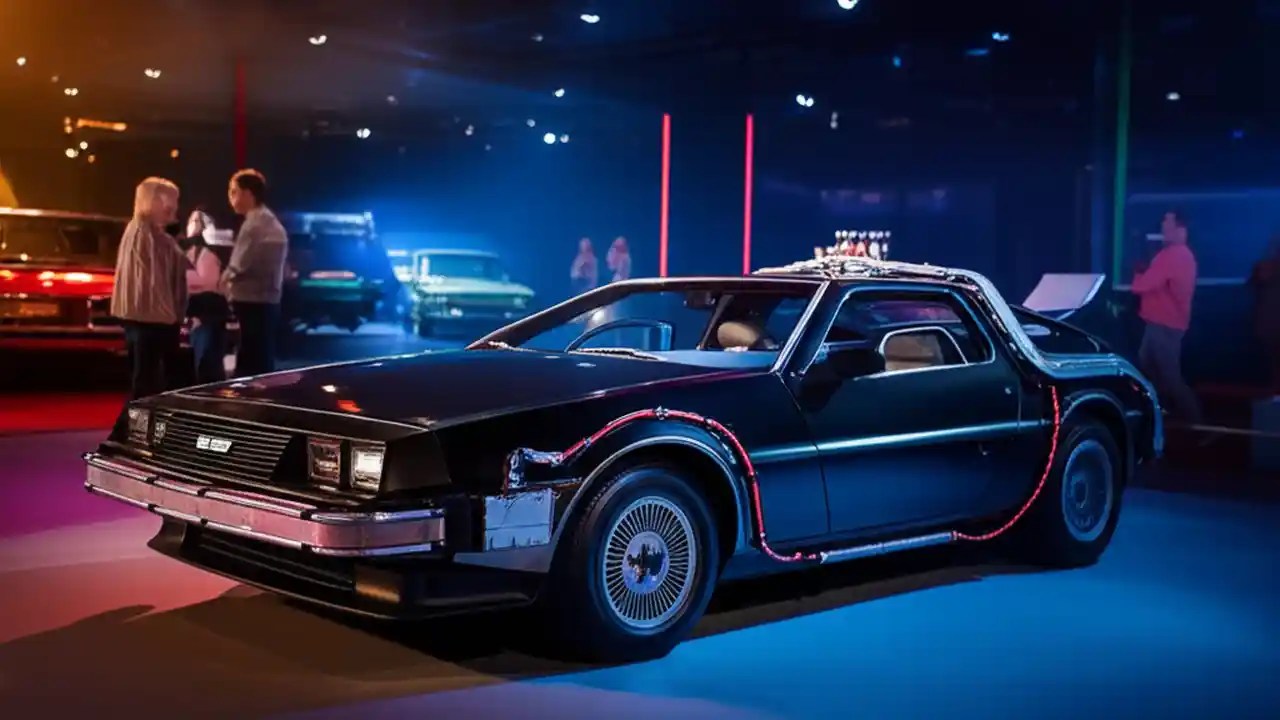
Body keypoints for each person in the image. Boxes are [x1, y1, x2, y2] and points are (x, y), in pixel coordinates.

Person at [110, 177, 189, 437]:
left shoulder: (147, 233)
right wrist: (172, 318)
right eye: (170, 202)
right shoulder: (145, 234)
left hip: (147, 320)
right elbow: (155, 284)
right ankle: (134, 435)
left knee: (147, 382)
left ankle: (137, 434)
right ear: (154, 200)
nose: (174, 209)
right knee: (148, 384)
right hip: (152, 322)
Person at [1131, 209, 1200, 422]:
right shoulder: (1179, 255)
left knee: (1168, 377)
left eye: (1167, 225)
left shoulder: (1174, 255)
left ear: (1181, 229)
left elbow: (1143, 286)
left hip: (1164, 325)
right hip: (1160, 324)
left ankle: (1195, 421)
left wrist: (1139, 274)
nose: (1163, 228)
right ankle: (1165, 414)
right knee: (1149, 369)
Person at [223, 169, 288, 377]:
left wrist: (221, 283)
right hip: (267, 300)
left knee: (250, 360)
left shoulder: (254, 224)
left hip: (251, 301)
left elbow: (238, 265)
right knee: (262, 355)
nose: (230, 197)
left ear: (248, 194)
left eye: (234, 192)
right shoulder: (268, 220)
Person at [185, 224, 229, 385]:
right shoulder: (195, 254)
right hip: (203, 315)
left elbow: (209, 285)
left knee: (208, 361)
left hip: (209, 315)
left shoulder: (207, 256)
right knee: (206, 360)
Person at [1249, 234, 1280, 390]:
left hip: (1267, 329)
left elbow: (1251, 284)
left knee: (1274, 371)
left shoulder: (1262, 268)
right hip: (1271, 328)